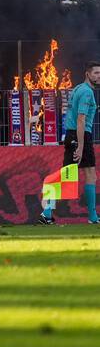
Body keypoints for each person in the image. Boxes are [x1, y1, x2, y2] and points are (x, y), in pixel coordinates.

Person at [40, 60, 100, 224]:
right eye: (96, 73)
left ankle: (46, 212)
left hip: (71, 134)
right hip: (80, 136)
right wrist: (80, 146)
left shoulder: (78, 89)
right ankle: (93, 217)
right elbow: (81, 119)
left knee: (67, 175)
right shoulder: (87, 92)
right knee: (89, 175)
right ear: (88, 74)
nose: (99, 76)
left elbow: (73, 113)